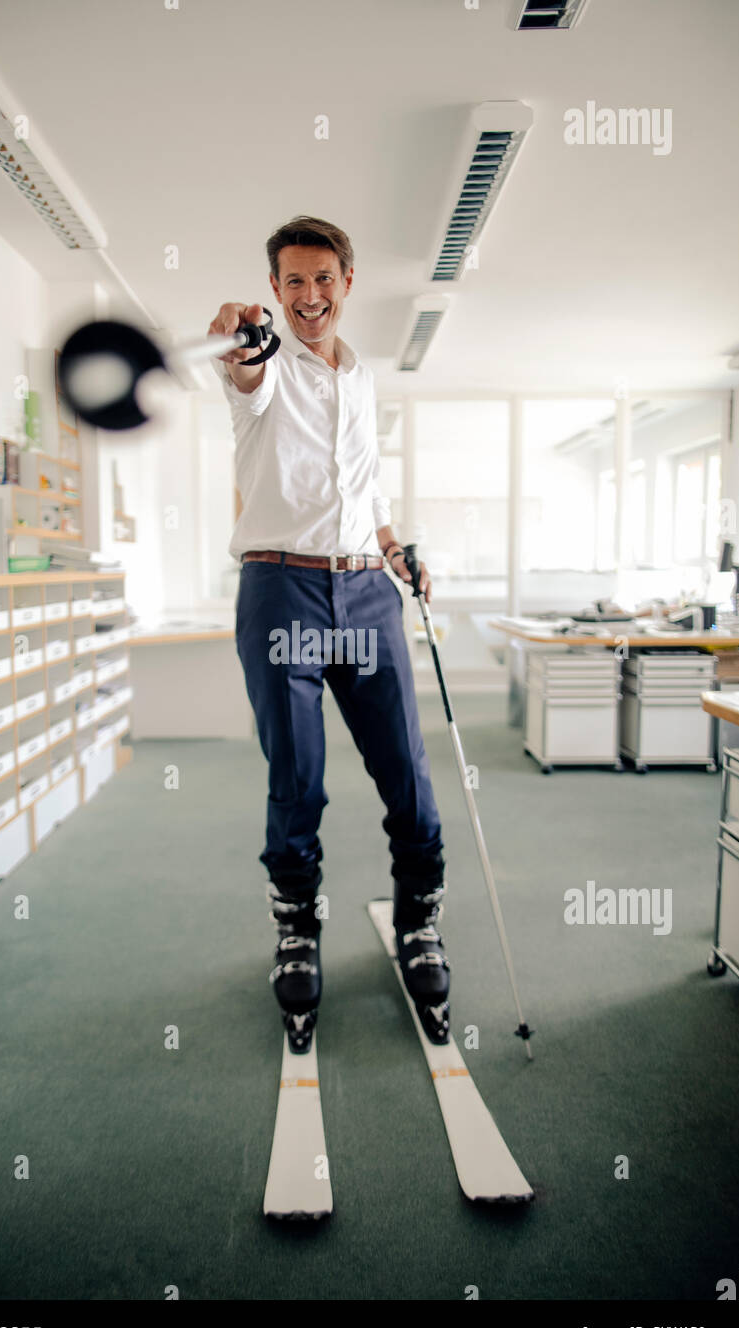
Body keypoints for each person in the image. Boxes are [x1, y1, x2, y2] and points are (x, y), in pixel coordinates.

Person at [207, 215, 449, 1052]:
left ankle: (419, 917)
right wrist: (241, 341)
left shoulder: (363, 375)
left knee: (407, 773)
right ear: (276, 290)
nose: (310, 297)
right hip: (285, 593)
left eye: (323, 279)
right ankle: (297, 926)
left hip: (367, 595)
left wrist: (393, 547)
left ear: (347, 281)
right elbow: (247, 374)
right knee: (300, 777)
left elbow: (368, 485)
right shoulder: (266, 363)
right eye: (293, 283)